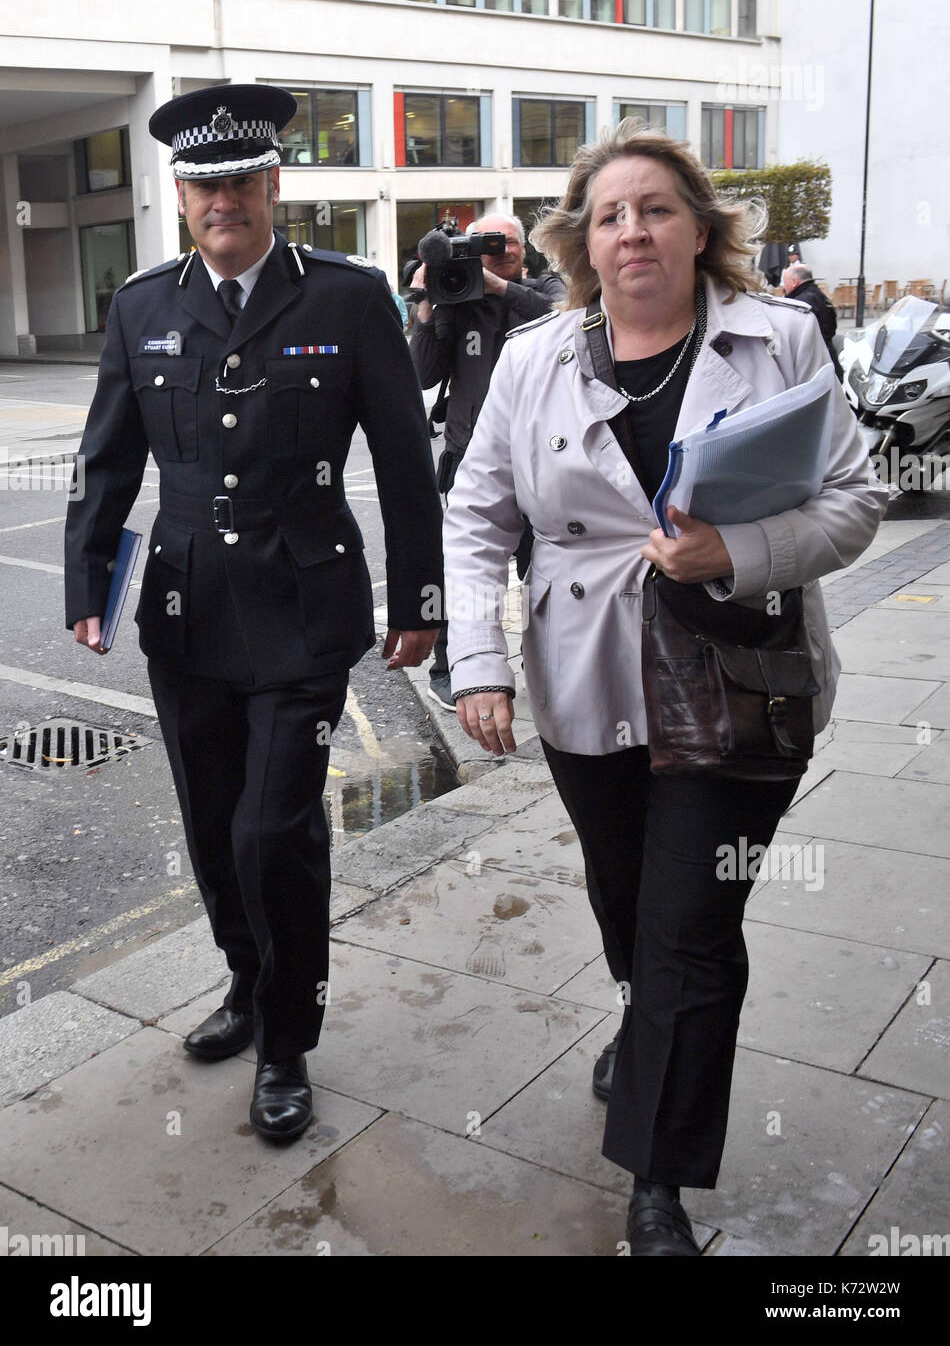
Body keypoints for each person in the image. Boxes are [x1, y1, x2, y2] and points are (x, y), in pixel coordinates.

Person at [442, 121, 886, 1255]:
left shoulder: (776, 339)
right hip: (585, 680)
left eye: (654, 208)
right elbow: (477, 512)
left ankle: (656, 1180)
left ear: (698, 228)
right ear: (580, 244)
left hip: (736, 679)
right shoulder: (532, 358)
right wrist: (481, 663)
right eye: (608, 214)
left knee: (690, 924)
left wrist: (733, 553)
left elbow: (853, 502)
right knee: (627, 899)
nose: (632, 229)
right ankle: (648, 1029)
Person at [64, 85, 443, 1143]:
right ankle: (244, 981)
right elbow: (106, 460)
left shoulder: (347, 295)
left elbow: (406, 463)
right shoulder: (142, 305)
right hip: (185, 613)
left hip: (304, 605)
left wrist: (420, 598)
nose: (220, 200)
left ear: (273, 185)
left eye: (238, 181)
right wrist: (88, 584)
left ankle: (286, 1038)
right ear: (179, 196)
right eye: (201, 185)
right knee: (210, 826)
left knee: (274, 831)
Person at [408, 213, 565, 712]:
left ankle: (559, 669)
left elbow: (564, 316)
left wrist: (498, 287)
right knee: (466, 569)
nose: (497, 251)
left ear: (524, 248)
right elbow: (424, 372)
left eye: (507, 243)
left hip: (544, 464)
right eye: (483, 245)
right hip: (469, 457)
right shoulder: (458, 300)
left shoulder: (545, 288)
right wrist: (429, 303)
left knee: (547, 569)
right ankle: (451, 668)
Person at [782, 263, 843, 379]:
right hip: (829, 358)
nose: (783, 287)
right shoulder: (819, 295)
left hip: (815, 365)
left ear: (795, 282)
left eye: (785, 282)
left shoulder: (800, 304)